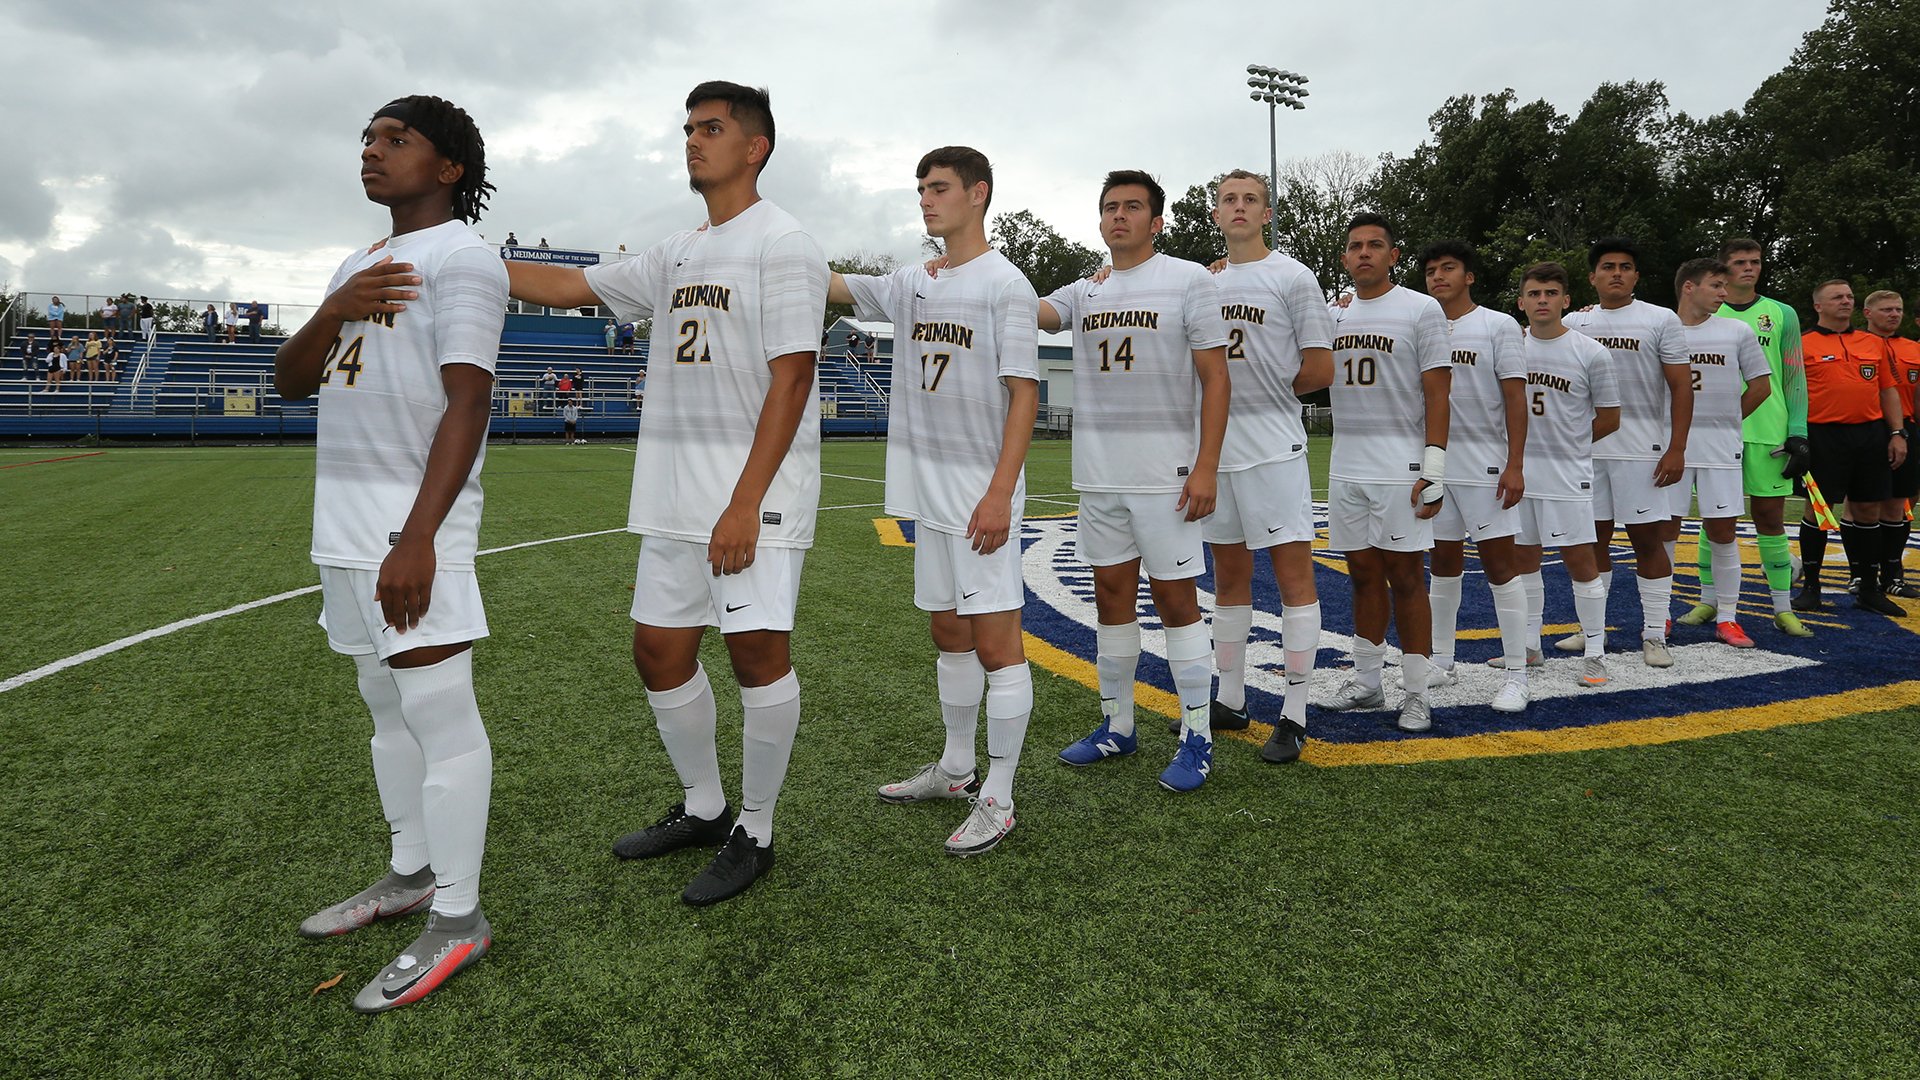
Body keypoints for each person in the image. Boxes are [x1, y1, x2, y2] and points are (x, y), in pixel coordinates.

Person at [502, 81, 829, 905]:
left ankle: (757, 828)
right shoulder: (677, 251)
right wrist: (462, 260)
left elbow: (794, 379)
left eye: (711, 128)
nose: (693, 140)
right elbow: (573, 288)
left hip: (752, 497)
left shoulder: (785, 242)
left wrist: (746, 501)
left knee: (756, 654)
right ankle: (706, 806)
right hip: (676, 496)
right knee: (659, 651)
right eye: (688, 128)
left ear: (754, 147)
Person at [272, 93, 508, 1013]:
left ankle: (459, 918)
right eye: (367, 139)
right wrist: (334, 304)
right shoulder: (359, 261)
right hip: (341, 527)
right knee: (386, 709)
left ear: (448, 167)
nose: (372, 152)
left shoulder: (463, 259)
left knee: (440, 711)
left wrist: (420, 536)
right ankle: (411, 874)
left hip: (411, 530)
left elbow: (468, 403)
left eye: (395, 140)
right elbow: (292, 382)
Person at [831, 145, 1040, 853]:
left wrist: (1000, 493)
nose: (926, 199)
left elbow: (1024, 395)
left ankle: (1000, 795)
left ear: (978, 194)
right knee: (949, 632)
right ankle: (956, 768)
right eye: (921, 188)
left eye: (940, 187)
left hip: (982, 495)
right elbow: (834, 287)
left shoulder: (1005, 284)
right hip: (930, 492)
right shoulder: (912, 283)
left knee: (998, 645)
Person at [1035, 170, 1229, 790]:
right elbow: (1032, 312)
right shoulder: (1085, 290)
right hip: (1100, 475)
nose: (1119, 216)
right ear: (1099, 221)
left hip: (1166, 474)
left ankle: (1196, 735)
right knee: (1112, 600)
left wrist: (1205, 466)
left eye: (1133, 207)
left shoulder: (1189, 280)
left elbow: (1217, 379)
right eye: (1109, 208)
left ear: (1157, 221)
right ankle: (1117, 725)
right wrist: (953, 265)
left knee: (1176, 602)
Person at [1194, 169, 1335, 755]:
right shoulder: (1199, 281)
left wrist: (1268, 396)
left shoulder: (1293, 276)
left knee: (1293, 576)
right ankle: (1231, 698)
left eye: (1251, 199)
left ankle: (1296, 714)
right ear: (1217, 213)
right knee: (1227, 576)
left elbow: (1321, 369)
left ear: (1268, 212)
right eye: (1229, 199)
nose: (1240, 207)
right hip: (1214, 450)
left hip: (1273, 445)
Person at [1322, 213, 1451, 733]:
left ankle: (1417, 692)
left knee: (1405, 577)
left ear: (1393, 256)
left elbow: (1439, 391)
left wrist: (1435, 466)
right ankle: (1368, 682)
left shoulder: (1422, 309)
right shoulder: (1332, 314)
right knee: (1362, 575)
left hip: (1401, 464)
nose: (1365, 254)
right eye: (1356, 246)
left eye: (1376, 245)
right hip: (1346, 462)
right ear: (1346, 257)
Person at [1561, 238, 1692, 667]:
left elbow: (1681, 386)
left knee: (1647, 542)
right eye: (1607, 266)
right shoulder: (1574, 323)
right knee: (1590, 542)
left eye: (1625, 267)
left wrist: (1676, 447)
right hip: (1587, 452)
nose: (1616, 273)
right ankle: (1591, 630)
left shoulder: (1660, 319)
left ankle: (1655, 635)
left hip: (1643, 450)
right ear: (1592, 276)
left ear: (1636, 276)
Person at [1415, 240, 1531, 713]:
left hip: (1485, 464)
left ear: (1470, 277)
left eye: (1449, 268)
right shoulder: (1418, 320)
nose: (1438, 276)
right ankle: (1442, 661)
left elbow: (1515, 399)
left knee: (1502, 568)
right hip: (1435, 465)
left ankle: (1518, 674)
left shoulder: (1497, 325)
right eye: (1430, 270)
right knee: (1442, 564)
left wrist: (1516, 463)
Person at [1685, 239, 1811, 634]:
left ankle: (1782, 607)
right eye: (1739, 263)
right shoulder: (1701, 311)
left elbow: (1793, 375)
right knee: (1713, 518)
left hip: (1767, 431)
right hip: (1711, 435)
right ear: (1721, 269)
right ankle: (1708, 601)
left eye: (1755, 262)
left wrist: (1798, 431)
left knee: (1771, 517)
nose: (1749, 269)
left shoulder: (1782, 313)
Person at [1510, 264, 1622, 686]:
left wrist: (1572, 444)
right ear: (1521, 302)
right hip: (1517, 472)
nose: (1543, 300)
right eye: (1535, 293)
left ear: (1566, 301)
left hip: (1567, 474)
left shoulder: (1590, 352)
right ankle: (1529, 646)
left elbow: (1610, 418)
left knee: (1581, 561)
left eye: (1551, 293)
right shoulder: (1509, 346)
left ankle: (1595, 654)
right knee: (1524, 560)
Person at [1664, 259, 1774, 645]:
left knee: (1723, 533)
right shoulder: (1658, 326)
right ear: (1689, 287)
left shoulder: (1736, 331)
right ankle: (1658, 614)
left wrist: (1728, 420)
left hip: (1719, 450)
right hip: (1666, 449)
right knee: (1665, 531)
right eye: (1717, 285)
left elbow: (1761, 386)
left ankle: (1728, 617)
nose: (1725, 293)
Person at [1797, 280, 1907, 615]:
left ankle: (1868, 589)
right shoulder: (1802, 344)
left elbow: (1888, 391)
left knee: (1868, 512)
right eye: (1837, 297)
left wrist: (1898, 433)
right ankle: (1811, 588)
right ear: (1818, 305)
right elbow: (1790, 395)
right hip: (1822, 436)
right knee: (1818, 510)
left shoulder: (1873, 343)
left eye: (1849, 296)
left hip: (1870, 435)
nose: (1845, 301)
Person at [1863, 290, 1920, 598]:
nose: (1894, 314)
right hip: (1866, 429)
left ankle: (1893, 574)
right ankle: (1861, 574)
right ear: (1868, 313)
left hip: (1906, 430)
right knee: (1862, 505)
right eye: (1886, 309)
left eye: (1897, 309)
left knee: (1898, 505)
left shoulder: (1914, 349)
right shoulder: (1857, 343)